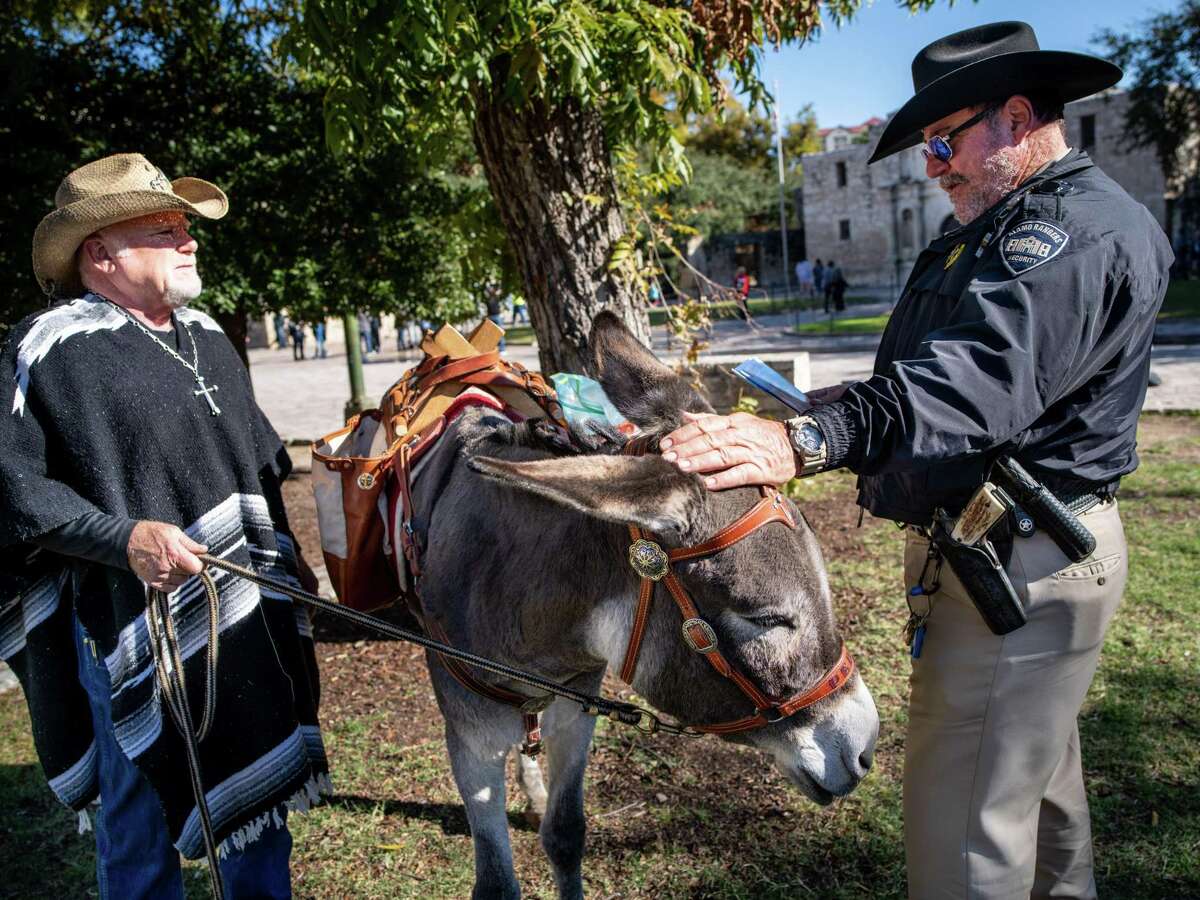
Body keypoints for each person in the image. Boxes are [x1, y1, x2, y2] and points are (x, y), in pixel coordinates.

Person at [656, 22, 1170, 900]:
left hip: (1020, 564)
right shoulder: (1008, 222)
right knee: (1036, 803)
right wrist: (839, 403)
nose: (932, 165)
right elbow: (955, 371)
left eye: (943, 140)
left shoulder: (1067, 236)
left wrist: (805, 440)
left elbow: (976, 382)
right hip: (999, 552)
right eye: (926, 147)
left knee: (964, 840)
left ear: (1017, 116)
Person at [0, 153, 330, 898]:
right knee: (139, 816)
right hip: (127, 626)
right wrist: (123, 539)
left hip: (242, 615)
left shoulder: (207, 334)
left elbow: (262, 460)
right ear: (103, 252)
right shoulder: (49, 349)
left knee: (257, 805)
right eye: (166, 228)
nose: (189, 241)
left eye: (187, 227)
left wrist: (290, 559)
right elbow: (15, 489)